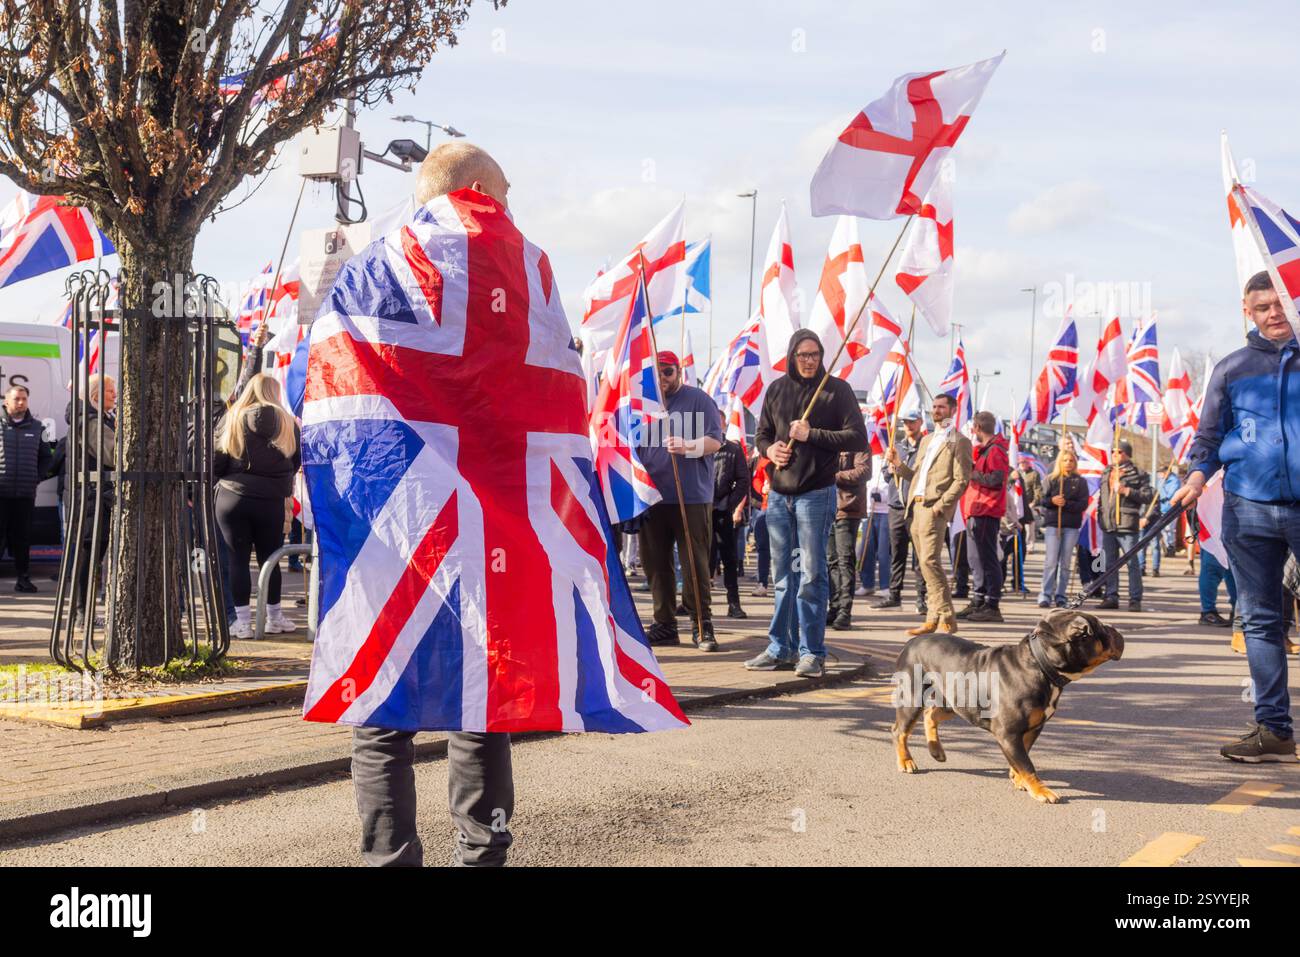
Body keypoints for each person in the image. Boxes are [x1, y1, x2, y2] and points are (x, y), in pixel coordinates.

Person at [1174, 270, 1300, 762]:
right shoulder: (1231, 369)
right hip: (1248, 510)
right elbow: (1208, 439)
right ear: (1247, 311)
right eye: (1263, 306)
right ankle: (1274, 730)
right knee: (1262, 623)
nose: (1274, 313)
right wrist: (1196, 475)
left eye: (1281, 303)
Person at [746, 329, 868, 678]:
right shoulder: (777, 389)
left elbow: (858, 437)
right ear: (792, 356)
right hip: (779, 495)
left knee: (812, 575)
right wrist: (770, 450)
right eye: (803, 354)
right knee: (782, 576)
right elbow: (762, 434)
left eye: (814, 354)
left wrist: (810, 434)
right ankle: (779, 647)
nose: (809, 360)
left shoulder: (837, 390)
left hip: (816, 494)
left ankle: (812, 652)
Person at [637, 351, 723, 650]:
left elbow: (716, 441)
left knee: (694, 563)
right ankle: (664, 624)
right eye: (657, 373)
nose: (663, 379)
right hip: (652, 497)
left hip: (691, 497)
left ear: (679, 372)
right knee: (655, 565)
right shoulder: (642, 404)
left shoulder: (699, 400)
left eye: (668, 372)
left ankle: (702, 624)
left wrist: (688, 446)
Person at [213, 373, 300, 639]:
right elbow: (295, 461)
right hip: (271, 499)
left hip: (232, 497)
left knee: (237, 560)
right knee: (270, 559)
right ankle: (274, 616)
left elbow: (217, 460)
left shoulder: (233, 417)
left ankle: (242, 622)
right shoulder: (287, 422)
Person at [886, 393, 972, 635]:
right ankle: (933, 618)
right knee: (923, 565)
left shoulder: (960, 441)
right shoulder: (927, 440)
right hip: (916, 506)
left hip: (934, 508)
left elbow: (961, 479)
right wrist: (897, 464)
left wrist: (941, 506)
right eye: (934, 406)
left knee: (929, 561)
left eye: (942, 407)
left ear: (953, 411)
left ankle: (946, 615)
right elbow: (915, 476)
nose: (937, 410)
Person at [956, 410, 1008, 623]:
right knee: (975, 559)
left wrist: (972, 473)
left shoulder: (995, 451)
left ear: (977, 428)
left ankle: (992, 603)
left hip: (986, 508)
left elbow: (996, 479)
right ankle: (979, 599)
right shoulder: (986, 450)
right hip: (977, 508)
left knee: (987, 559)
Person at [872, 409, 926, 613]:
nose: (908, 426)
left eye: (912, 422)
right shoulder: (896, 447)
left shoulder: (925, 447)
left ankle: (922, 598)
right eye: (905, 422)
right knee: (897, 554)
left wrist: (900, 466)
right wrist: (891, 468)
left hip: (916, 507)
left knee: (921, 556)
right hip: (895, 506)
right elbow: (886, 475)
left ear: (920, 422)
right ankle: (894, 595)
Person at [0, 385, 53, 593]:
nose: (21, 402)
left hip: (25, 494)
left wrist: (37, 477)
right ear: (6, 401)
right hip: (1, 493)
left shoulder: (39, 428)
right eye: (16, 399)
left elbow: (47, 457)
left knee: (23, 538)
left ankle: (23, 578)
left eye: (24, 399)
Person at [1097, 440, 1153, 612]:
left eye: (1119, 451)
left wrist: (1126, 491)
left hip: (1127, 524)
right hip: (1108, 524)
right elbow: (1103, 497)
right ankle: (1111, 595)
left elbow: (1148, 496)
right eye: (1113, 451)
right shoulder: (1107, 472)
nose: (1115, 454)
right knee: (1109, 564)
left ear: (1127, 454)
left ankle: (1135, 599)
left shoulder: (1138, 473)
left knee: (1132, 564)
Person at [1037, 448, 1089, 608]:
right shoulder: (1051, 479)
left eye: (1071, 460)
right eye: (1065, 460)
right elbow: (1042, 499)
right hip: (1054, 524)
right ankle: (1045, 594)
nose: (1068, 463)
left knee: (1065, 563)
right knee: (1051, 561)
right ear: (1060, 462)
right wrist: (1052, 501)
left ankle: (1061, 595)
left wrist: (1067, 503)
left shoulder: (1080, 482)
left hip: (1071, 525)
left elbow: (1083, 503)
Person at [711, 427, 751, 620]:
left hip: (721, 512)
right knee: (699, 558)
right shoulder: (695, 446)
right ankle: (694, 603)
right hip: (698, 511)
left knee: (729, 558)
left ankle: (733, 603)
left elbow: (743, 481)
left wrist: (728, 504)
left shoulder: (733, 450)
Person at [827, 449, 870, 630]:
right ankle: (834, 607)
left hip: (848, 508)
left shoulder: (858, 442)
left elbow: (864, 471)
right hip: (828, 506)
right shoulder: (830, 439)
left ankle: (845, 612)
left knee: (845, 561)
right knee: (832, 561)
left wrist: (832, 476)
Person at [857, 455, 892, 598]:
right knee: (866, 549)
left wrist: (883, 496)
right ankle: (867, 584)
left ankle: (885, 586)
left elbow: (891, 483)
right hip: (870, 510)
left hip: (886, 510)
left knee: (884, 552)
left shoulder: (891, 457)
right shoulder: (871, 458)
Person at [750, 457, 771, 597]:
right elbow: (756, 478)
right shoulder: (764, 457)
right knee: (763, 547)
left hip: (788, 507)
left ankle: (792, 582)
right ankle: (762, 583)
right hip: (765, 507)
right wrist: (762, 488)